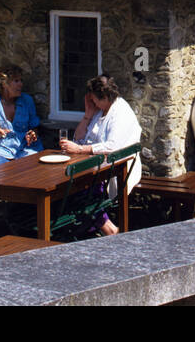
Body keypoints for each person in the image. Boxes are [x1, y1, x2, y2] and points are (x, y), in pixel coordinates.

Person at [61, 74, 142, 235]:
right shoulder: (100, 111)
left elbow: (112, 146)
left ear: (105, 97)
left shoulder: (120, 113)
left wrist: (79, 150)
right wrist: (88, 114)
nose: (93, 103)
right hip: (97, 165)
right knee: (71, 186)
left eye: (94, 99)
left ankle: (105, 228)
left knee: (75, 189)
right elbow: (79, 138)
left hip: (117, 168)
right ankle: (99, 228)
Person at [0, 64, 43, 169]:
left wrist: (33, 134)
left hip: (27, 150)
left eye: (21, 80)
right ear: (4, 84)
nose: (21, 84)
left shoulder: (27, 101)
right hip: (1, 150)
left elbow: (34, 126)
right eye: (16, 81)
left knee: (34, 175)